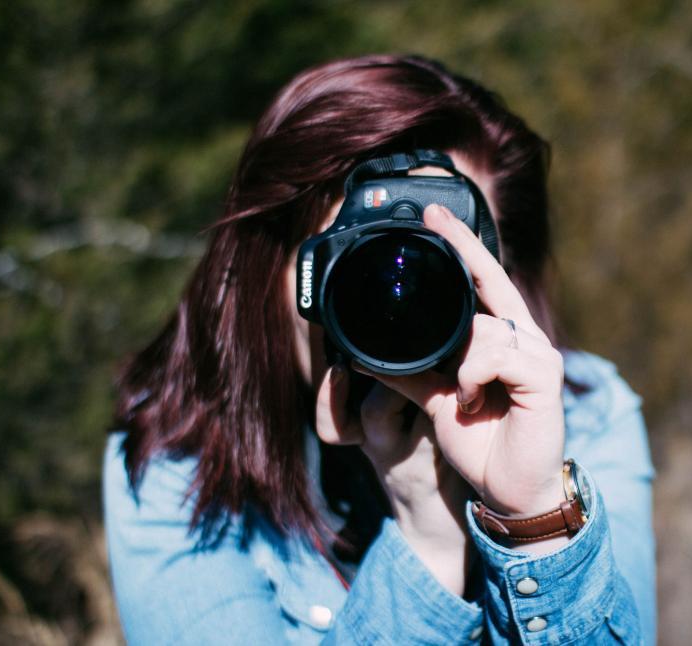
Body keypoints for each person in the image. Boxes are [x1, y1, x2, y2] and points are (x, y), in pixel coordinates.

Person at [102, 54, 656, 645]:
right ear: (272, 269)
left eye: (447, 269)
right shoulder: (177, 462)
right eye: (360, 261)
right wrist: (427, 539)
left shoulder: (585, 415)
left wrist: (536, 519)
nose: (401, 307)